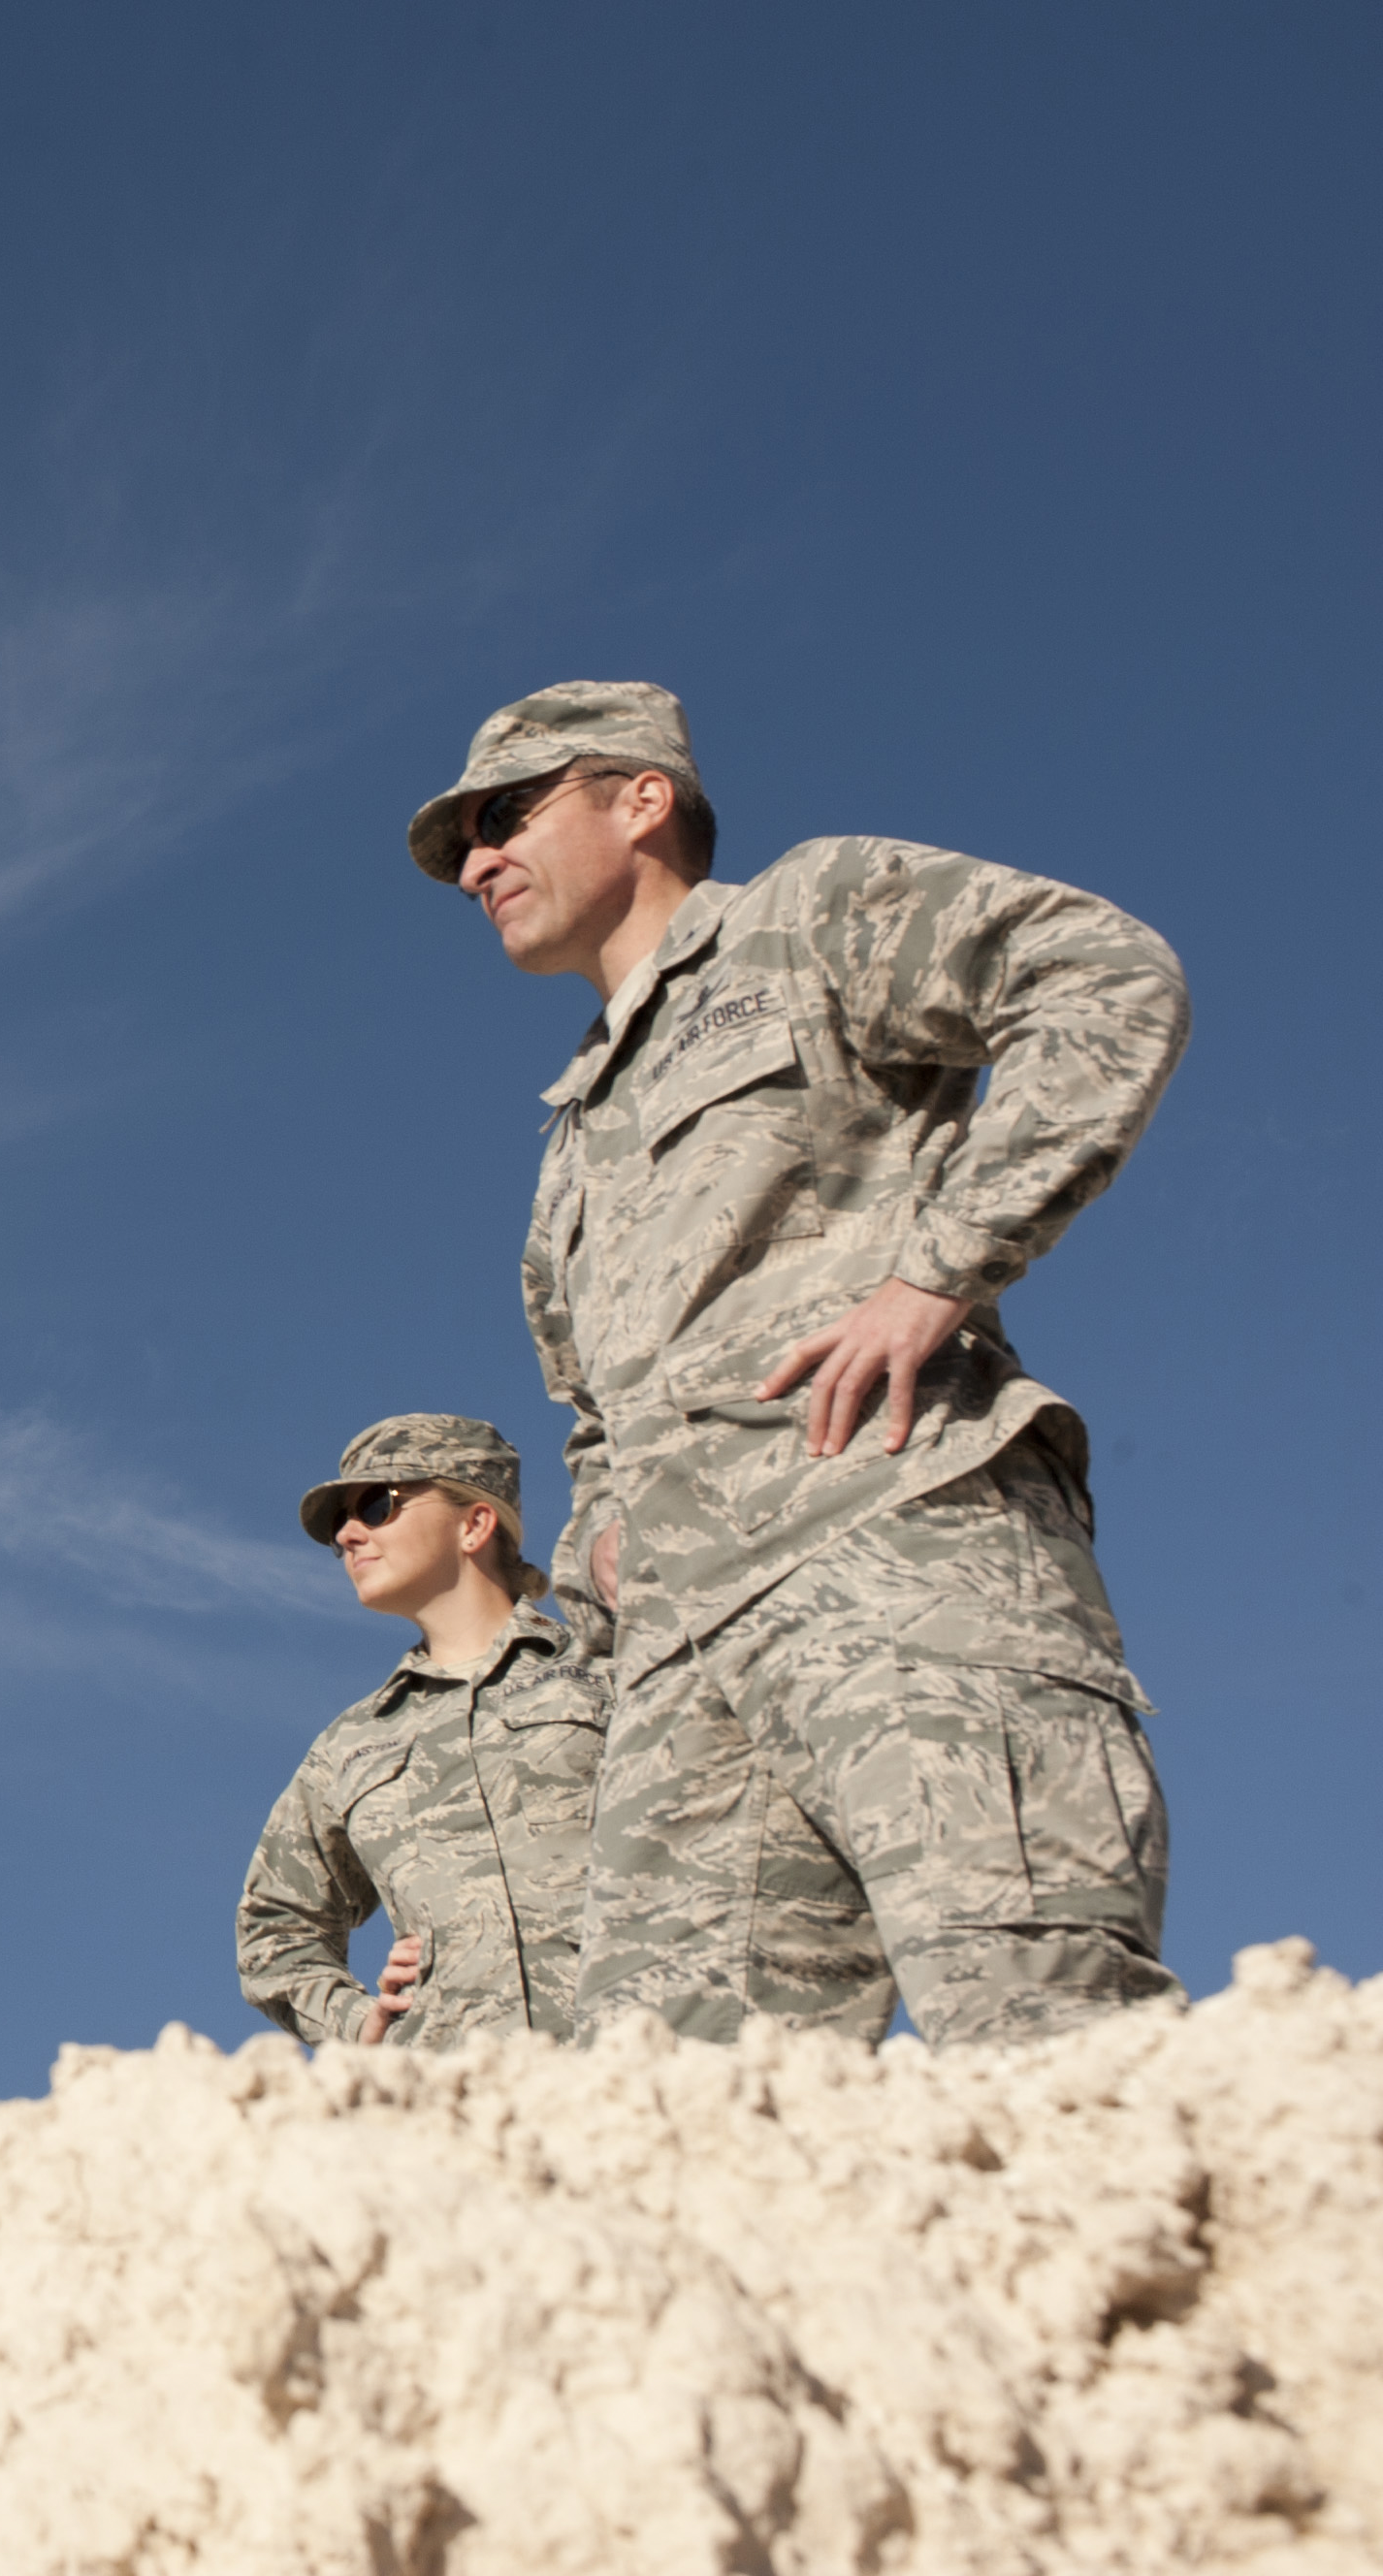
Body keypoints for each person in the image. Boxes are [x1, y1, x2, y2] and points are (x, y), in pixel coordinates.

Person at [418, 678, 1183, 2045]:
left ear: (640, 796)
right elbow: (593, 1414)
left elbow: (1105, 980)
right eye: (466, 837)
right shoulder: (570, 1142)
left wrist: (941, 1267)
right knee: (664, 2149)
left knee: (1044, 2045)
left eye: (505, 813)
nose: (476, 860)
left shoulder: (805, 917)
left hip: (895, 1564)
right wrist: (598, 1544)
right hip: (684, 1677)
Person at [235, 1415, 608, 2048]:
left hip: (651, 2073)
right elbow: (275, 1929)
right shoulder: (350, 1747)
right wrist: (358, 2023)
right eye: (338, 1527)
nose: (350, 1534)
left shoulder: (606, 1671)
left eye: (379, 1505)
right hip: (456, 2108)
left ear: (475, 1523)